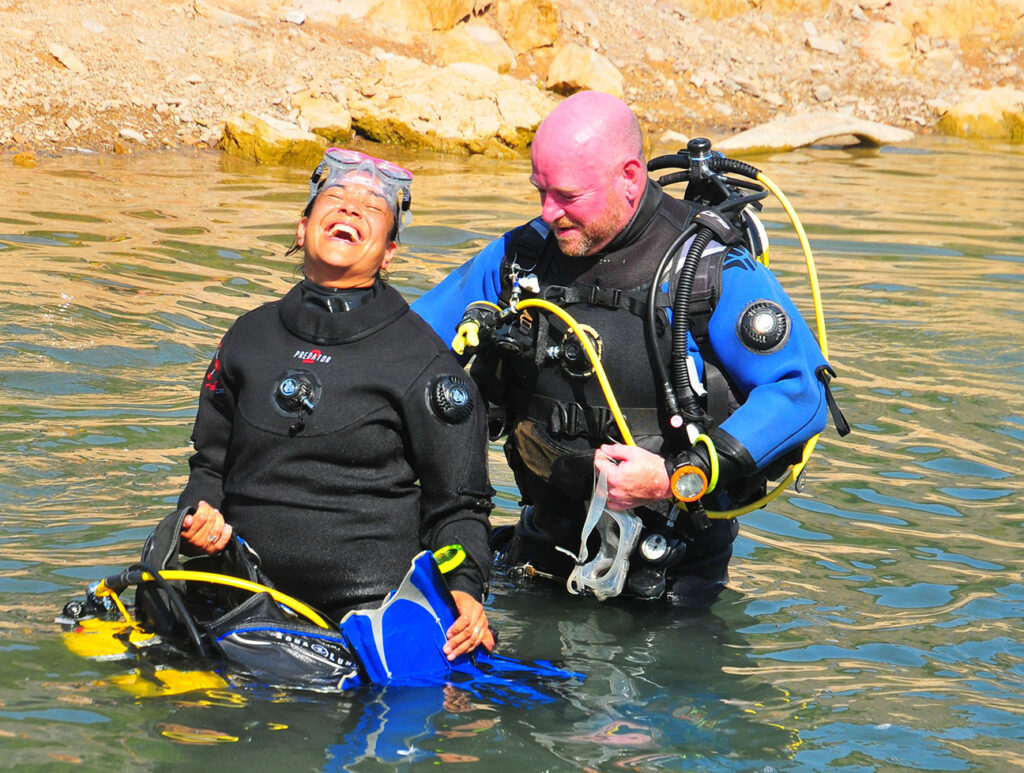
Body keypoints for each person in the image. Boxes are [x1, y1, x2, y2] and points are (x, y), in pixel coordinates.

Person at [412, 91, 841, 604]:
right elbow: (408, 349)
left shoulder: (704, 272)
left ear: (631, 178)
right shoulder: (522, 258)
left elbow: (800, 393)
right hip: (539, 551)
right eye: (540, 191)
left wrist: (674, 477)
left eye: (567, 196)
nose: (548, 213)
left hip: (668, 578)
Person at [176, 147, 495, 658]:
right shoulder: (247, 336)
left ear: (389, 252)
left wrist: (465, 589)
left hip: (363, 620)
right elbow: (208, 465)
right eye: (337, 197)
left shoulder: (423, 362)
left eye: (372, 207)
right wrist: (200, 515)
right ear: (302, 228)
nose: (350, 208)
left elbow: (459, 506)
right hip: (236, 596)